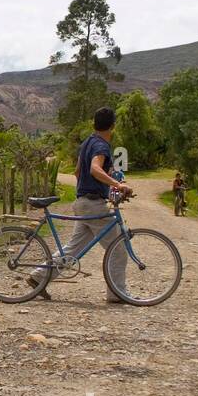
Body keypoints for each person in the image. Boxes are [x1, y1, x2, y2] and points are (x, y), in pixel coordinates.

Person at [68, 107, 134, 303]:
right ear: (113, 125)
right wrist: (117, 184)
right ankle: (117, 293)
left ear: (93, 123)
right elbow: (95, 169)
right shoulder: (101, 146)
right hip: (93, 204)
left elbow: (77, 172)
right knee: (118, 248)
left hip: (82, 202)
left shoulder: (87, 143)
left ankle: (38, 276)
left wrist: (85, 192)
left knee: (72, 249)